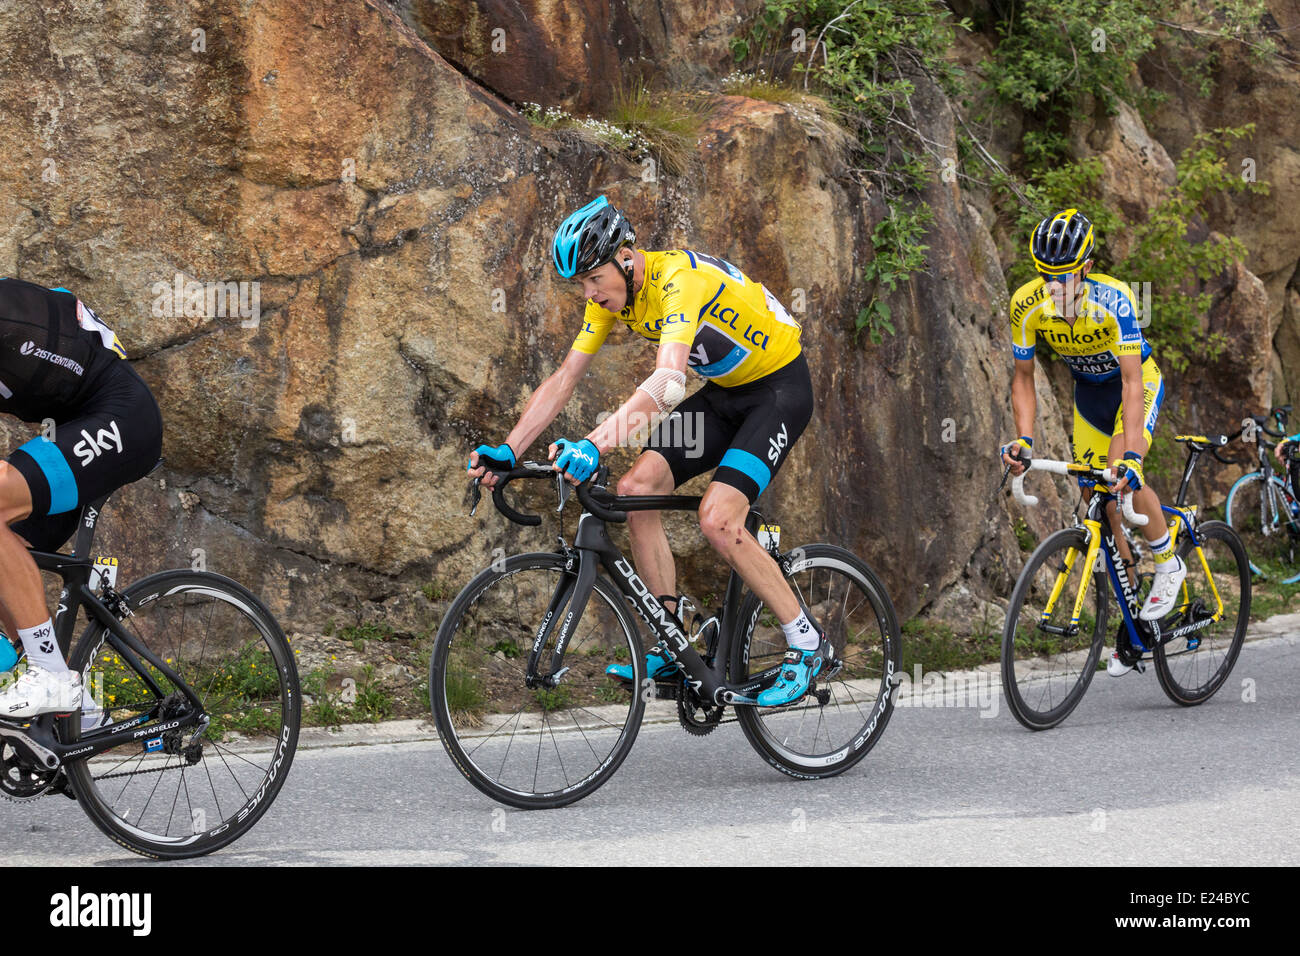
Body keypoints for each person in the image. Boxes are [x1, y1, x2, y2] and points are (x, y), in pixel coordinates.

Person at [466, 195, 828, 706]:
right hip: (727, 395)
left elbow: (669, 381)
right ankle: (675, 638)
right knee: (636, 489)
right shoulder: (611, 299)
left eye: (595, 279)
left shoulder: (678, 280)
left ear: (627, 257)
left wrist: (595, 443)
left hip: (778, 392)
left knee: (718, 519)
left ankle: (805, 643)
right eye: (582, 285)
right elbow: (566, 377)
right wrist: (509, 449)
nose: (590, 294)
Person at [1000, 209, 1185, 675]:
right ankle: (1134, 619)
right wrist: (1023, 438)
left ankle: (1167, 562)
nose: (1056, 289)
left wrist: (1133, 456)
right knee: (1095, 503)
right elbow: (1023, 378)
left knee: (1119, 471)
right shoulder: (1027, 304)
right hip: (1088, 397)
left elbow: (1130, 382)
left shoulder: (1115, 298)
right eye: (1048, 278)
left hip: (1132, 385)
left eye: (1065, 278)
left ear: (1084, 268)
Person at [0, 278, 163, 720]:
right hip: (73, 426)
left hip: (123, 418)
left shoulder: (5, 318)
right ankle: (77, 716)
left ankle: (51, 675)